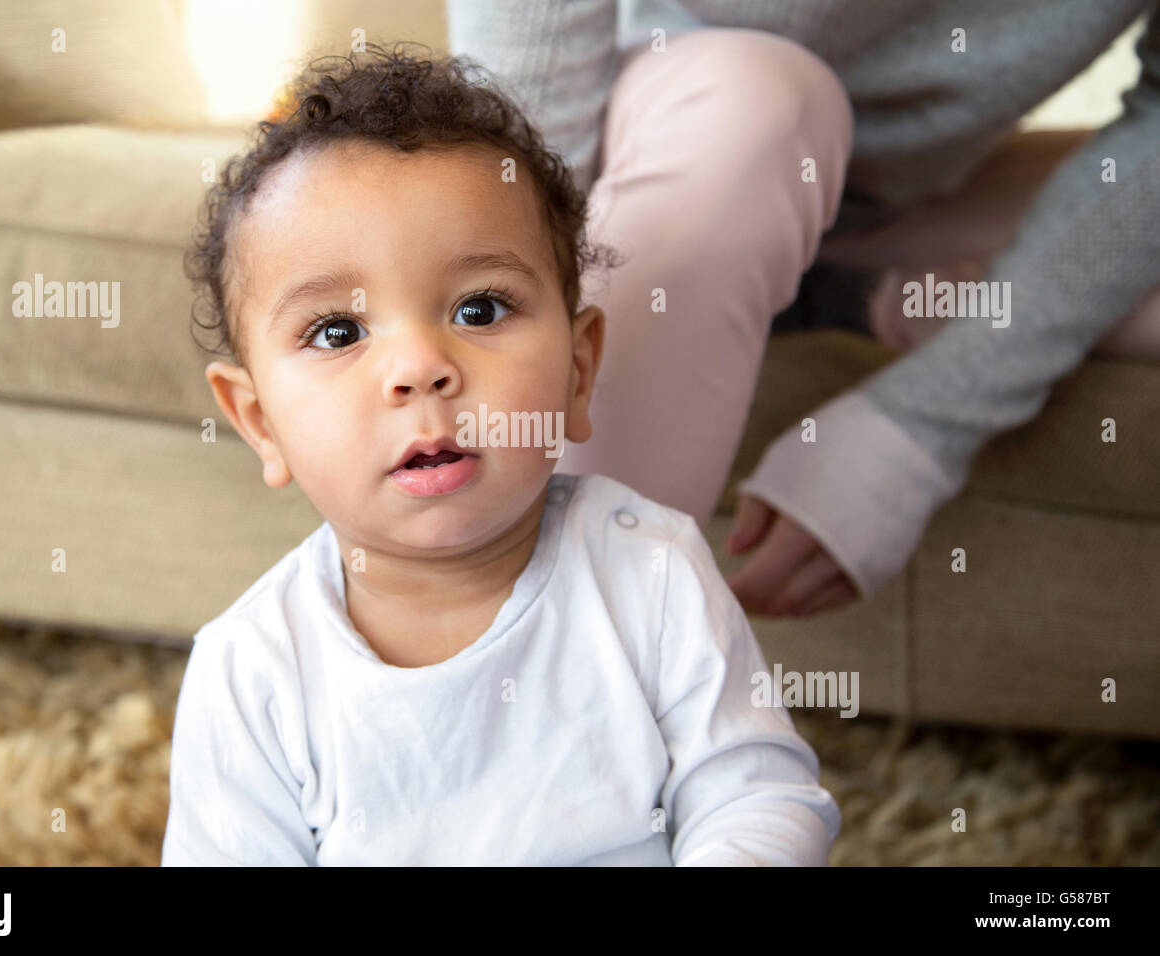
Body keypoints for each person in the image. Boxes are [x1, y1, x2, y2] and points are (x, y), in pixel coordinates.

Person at [161, 43, 840, 865]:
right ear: (260, 420)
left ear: (579, 370)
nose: (419, 368)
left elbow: (759, 794)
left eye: (480, 309)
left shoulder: (647, 569)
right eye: (338, 332)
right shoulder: (251, 673)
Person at [447, 0, 1160, 616]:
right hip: (664, 142)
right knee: (763, 101)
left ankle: (843, 297)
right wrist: (513, 284)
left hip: (890, 198)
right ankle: (562, 683)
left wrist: (917, 427)